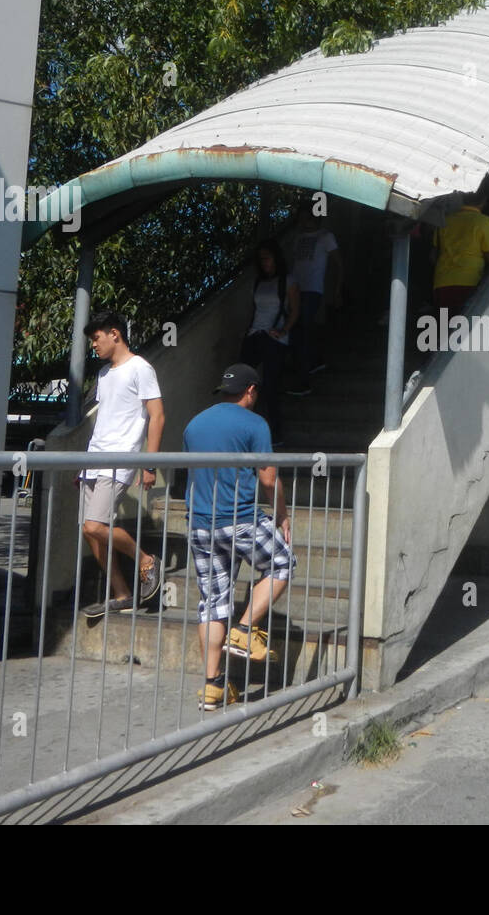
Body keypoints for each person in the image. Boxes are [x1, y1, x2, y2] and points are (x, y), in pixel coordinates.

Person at [183, 364, 296, 710]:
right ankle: (244, 631)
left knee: (213, 604)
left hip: (200, 524)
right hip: (240, 519)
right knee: (282, 562)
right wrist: (282, 514)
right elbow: (267, 477)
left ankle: (212, 687)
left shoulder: (194, 424)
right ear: (251, 391)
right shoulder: (255, 424)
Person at [80, 311, 164, 616]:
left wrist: (149, 465)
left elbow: (157, 415)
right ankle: (122, 593)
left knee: (96, 526)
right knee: (89, 531)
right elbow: (105, 420)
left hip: (119, 459)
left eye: (97, 338)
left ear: (114, 334)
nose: (94, 346)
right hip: (94, 460)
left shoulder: (141, 368)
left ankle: (146, 561)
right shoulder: (104, 375)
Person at [240, 238, 299, 445]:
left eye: (267, 258)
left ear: (276, 258)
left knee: (271, 386)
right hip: (254, 335)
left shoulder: (287, 280)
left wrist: (283, 331)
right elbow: (253, 309)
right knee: (242, 383)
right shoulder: (257, 282)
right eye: (261, 259)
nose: (264, 262)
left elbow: (295, 310)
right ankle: (243, 433)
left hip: (274, 337)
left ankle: (275, 433)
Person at [283, 208, 341, 396]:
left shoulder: (326, 236)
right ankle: (314, 361)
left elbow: (338, 264)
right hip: (296, 290)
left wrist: (337, 290)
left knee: (303, 331)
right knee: (296, 331)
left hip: (313, 290)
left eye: (307, 216)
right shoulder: (298, 238)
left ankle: (303, 381)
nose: (304, 220)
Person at [431, 193, 489, 313]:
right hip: (469, 282)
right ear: (484, 201)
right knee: (467, 328)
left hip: (442, 283)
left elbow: (433, 256)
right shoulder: (484, 222)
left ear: (462, 199)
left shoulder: (444, 221)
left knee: (444, 328)